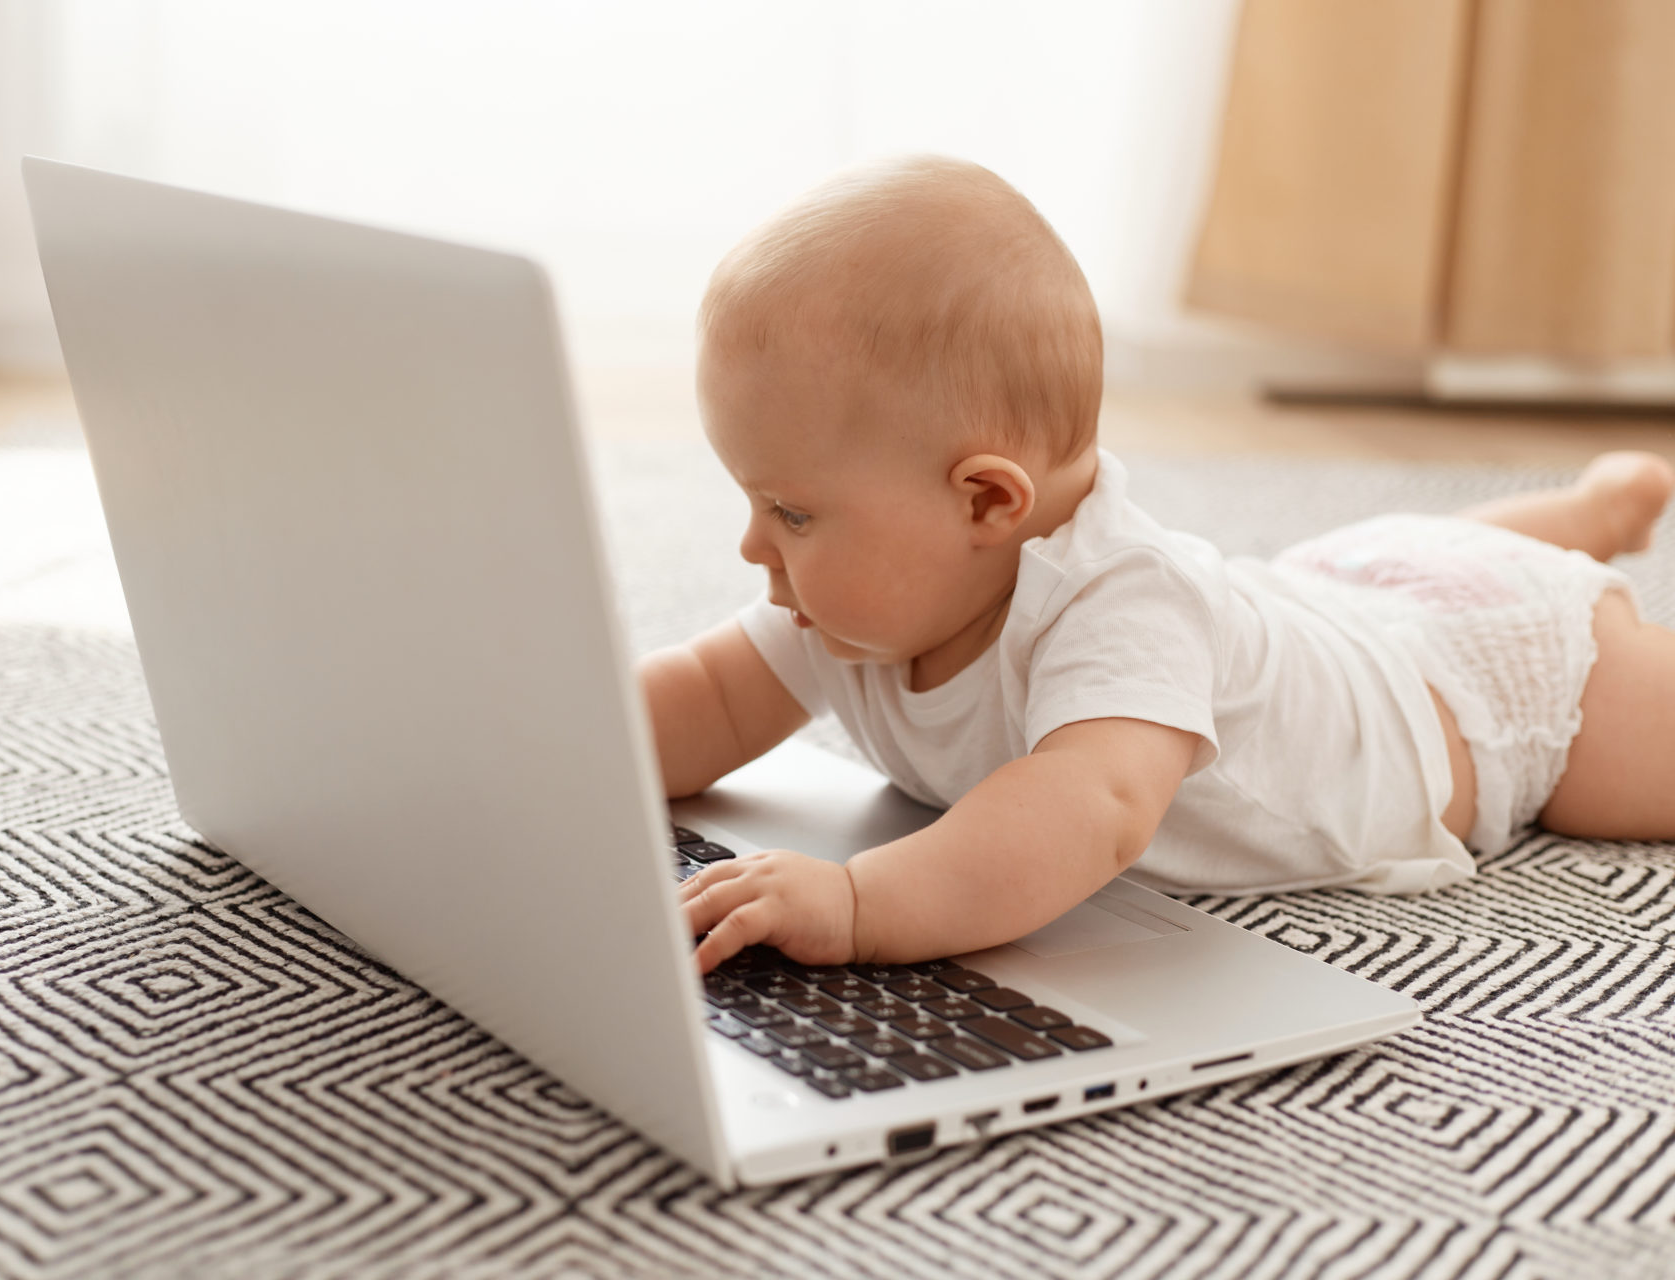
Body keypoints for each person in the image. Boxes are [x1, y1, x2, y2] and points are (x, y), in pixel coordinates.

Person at [640, 155, 1675, 974]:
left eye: (790, 510)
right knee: (1396, 573)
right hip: (1341, 594)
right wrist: (539, 747)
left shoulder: (1127, 604)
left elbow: (1086, 810)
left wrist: (864, 902)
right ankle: (1593, 507)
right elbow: (707, 695)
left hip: (1482, 691)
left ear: (986, 501)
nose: (751, 545)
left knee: (1547, 678)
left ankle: (1582, 531)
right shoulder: (861, 601)